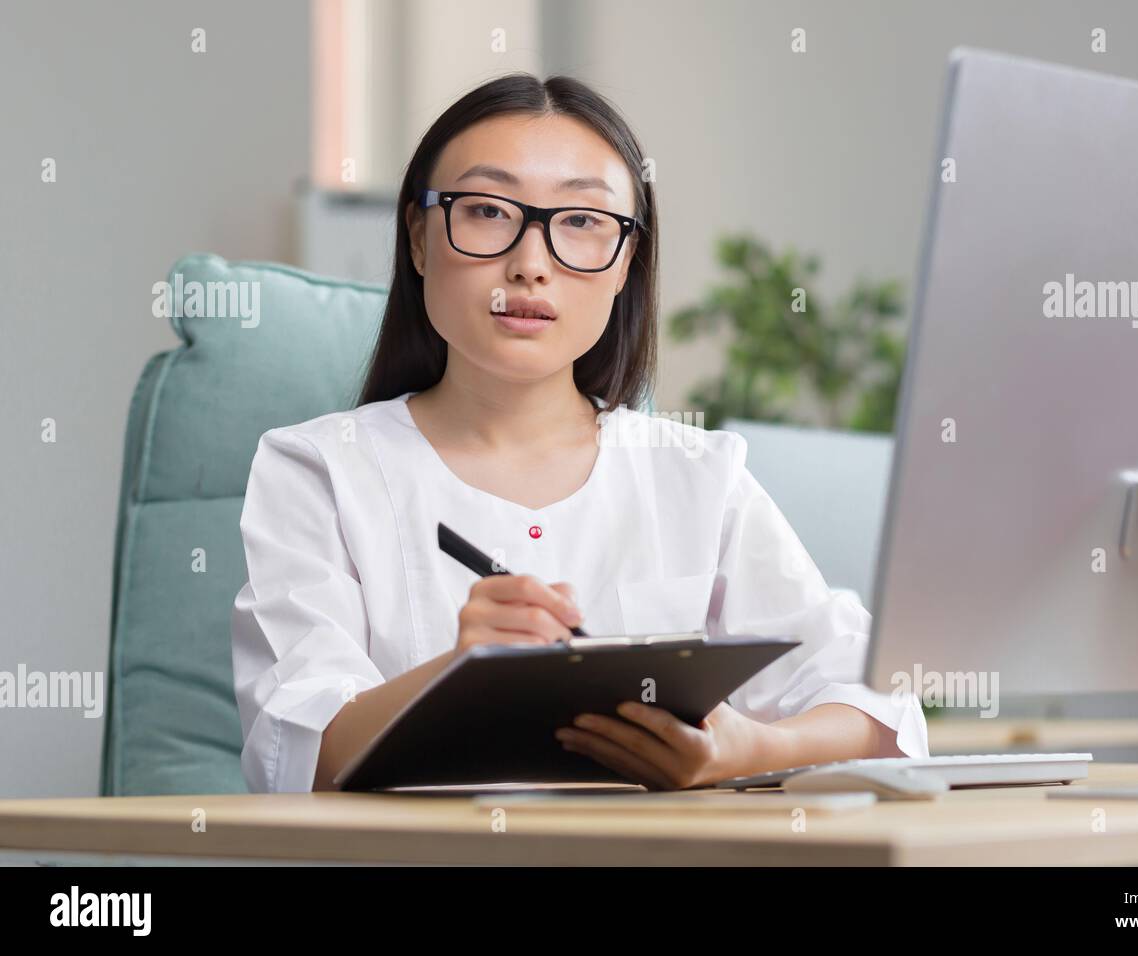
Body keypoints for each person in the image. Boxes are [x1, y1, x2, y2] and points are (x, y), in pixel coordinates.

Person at [231, 73, 929, 794]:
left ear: (626, 262)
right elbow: (295, 750)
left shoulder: (697, 475)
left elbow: (882, 706)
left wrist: (743, 751)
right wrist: (457, 677)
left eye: (583, 222)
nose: (531, 264)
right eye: (487, 211)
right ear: (417, 237)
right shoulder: (317, 469)